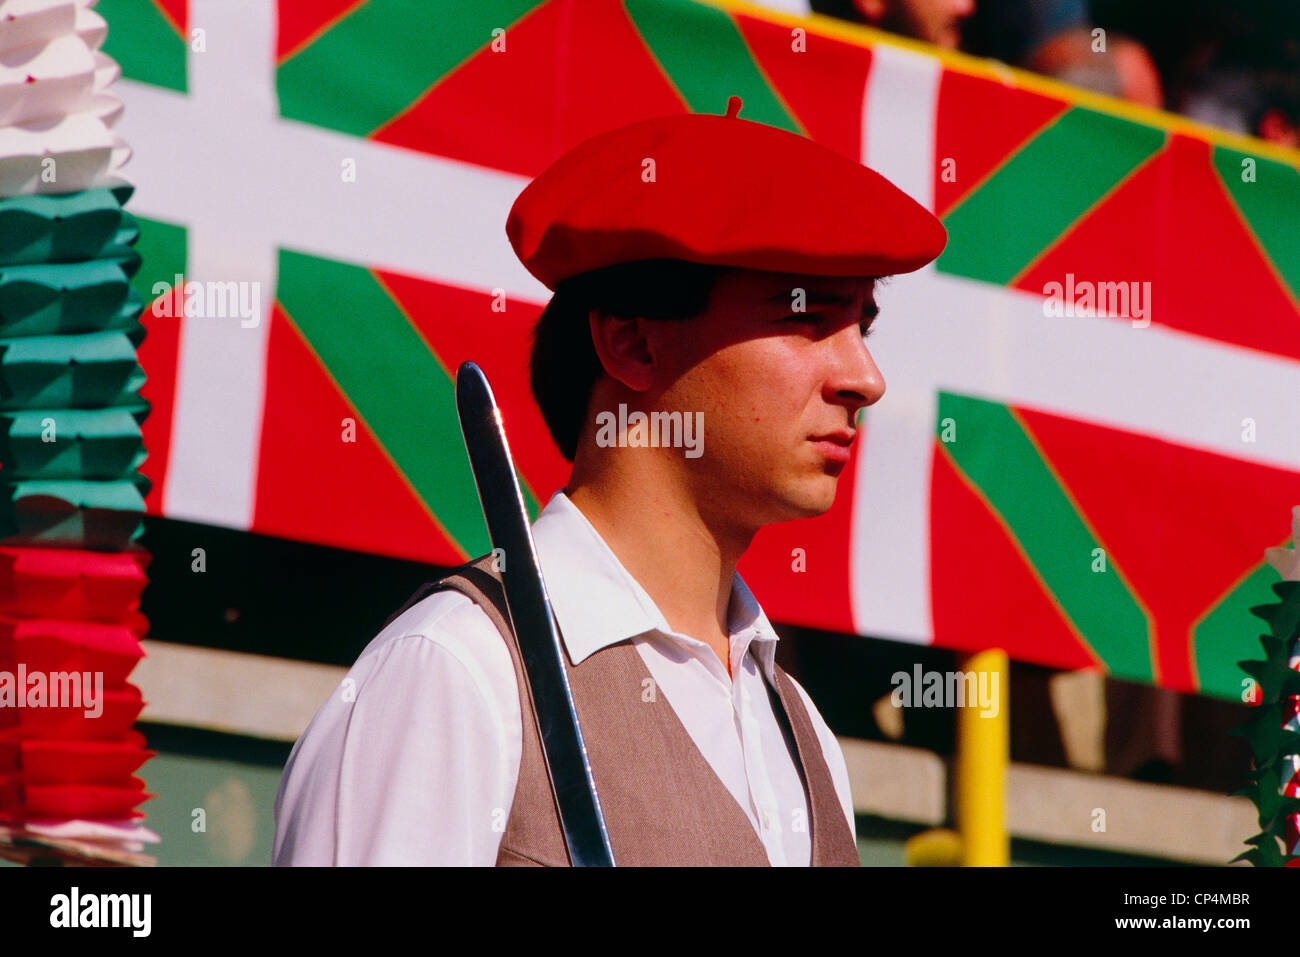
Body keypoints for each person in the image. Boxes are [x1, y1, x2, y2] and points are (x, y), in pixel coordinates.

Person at [272, 96, 947, 866]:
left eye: (864, 326)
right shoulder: (457, 674)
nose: (866, 377)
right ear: (631, 343)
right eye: (807, 318)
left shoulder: (804, 734)